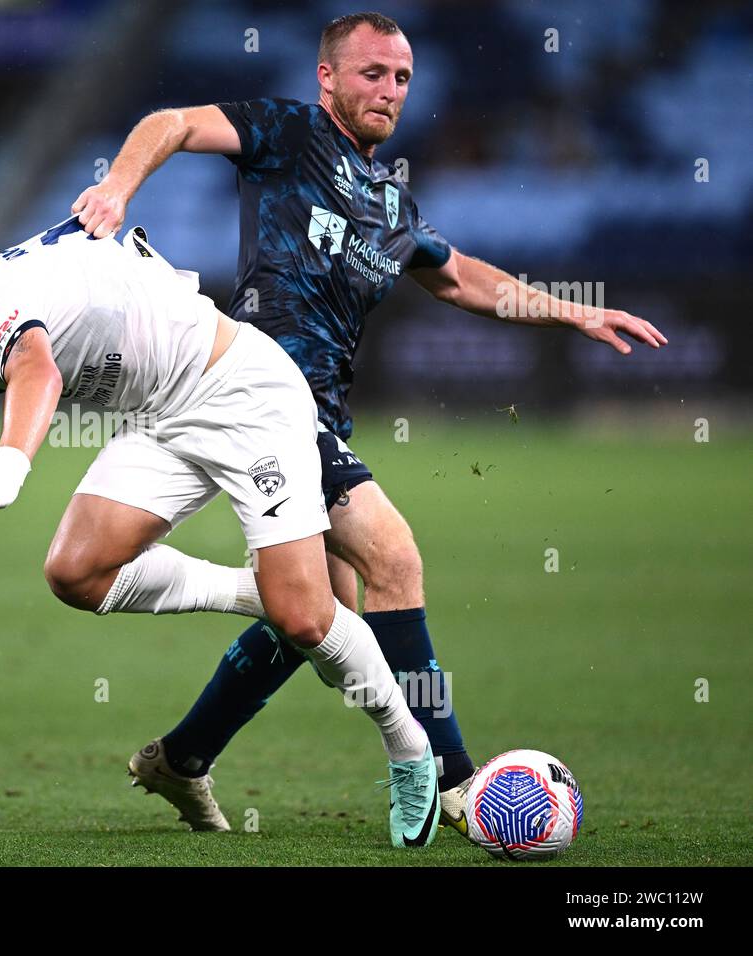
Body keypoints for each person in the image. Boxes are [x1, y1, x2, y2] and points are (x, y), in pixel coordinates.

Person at [70, 11, 667, 833]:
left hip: (307, 415)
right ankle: (456, 780)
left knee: (315, 614)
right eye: (371, 73)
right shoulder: (288, 133)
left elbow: (460, 279)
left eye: (401, 78)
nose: (389, 91)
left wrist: (574, 314)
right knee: (394, 557)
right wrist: (116, 187)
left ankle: (182, 758)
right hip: (257, 393)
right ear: (328, 77)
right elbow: (172, 122)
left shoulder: (391, 201)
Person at [0, 216, 443, 847]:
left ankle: (409, 748)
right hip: (163, 416)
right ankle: (271, 594)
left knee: (310, 623)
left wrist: (3, 477)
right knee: (75, 571)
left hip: (243, 396)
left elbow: (38, 373)